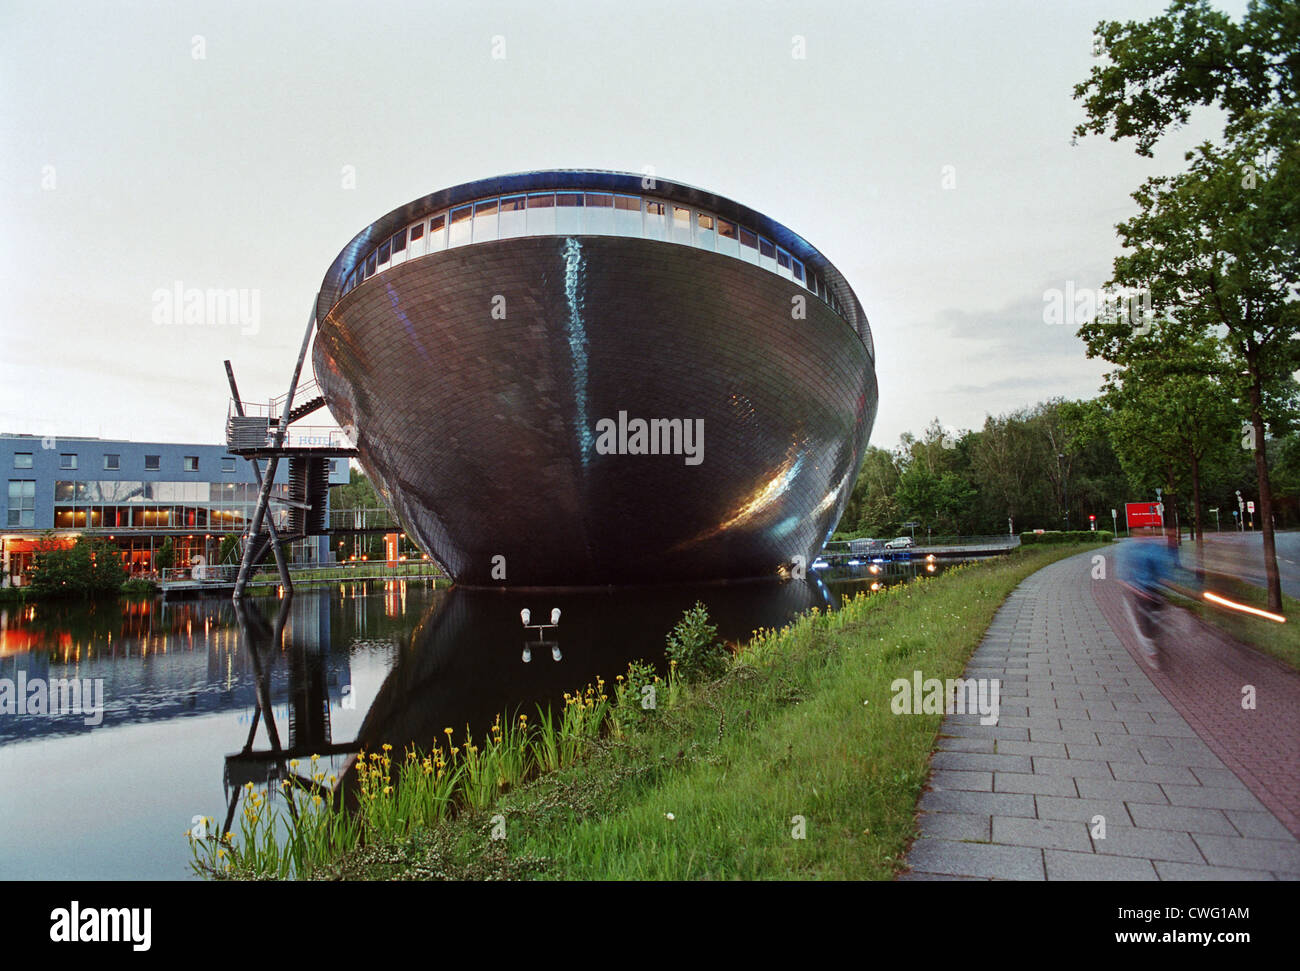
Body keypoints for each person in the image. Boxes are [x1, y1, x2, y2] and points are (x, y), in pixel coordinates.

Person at [1121, 527, 1179, 667]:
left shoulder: (1154, 549)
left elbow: (1163, 570)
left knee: (1159, 614)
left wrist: (1168, 583)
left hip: (1154, 587)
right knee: (1145, 620)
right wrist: (1137, 590)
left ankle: (1157, 639)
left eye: (1144, 534)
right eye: (1139, 534)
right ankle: (1151, 648)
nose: (1142, 537)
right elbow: (1124, 574)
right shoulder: (1129, 550)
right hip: (1139, 589)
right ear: (1134, 536)